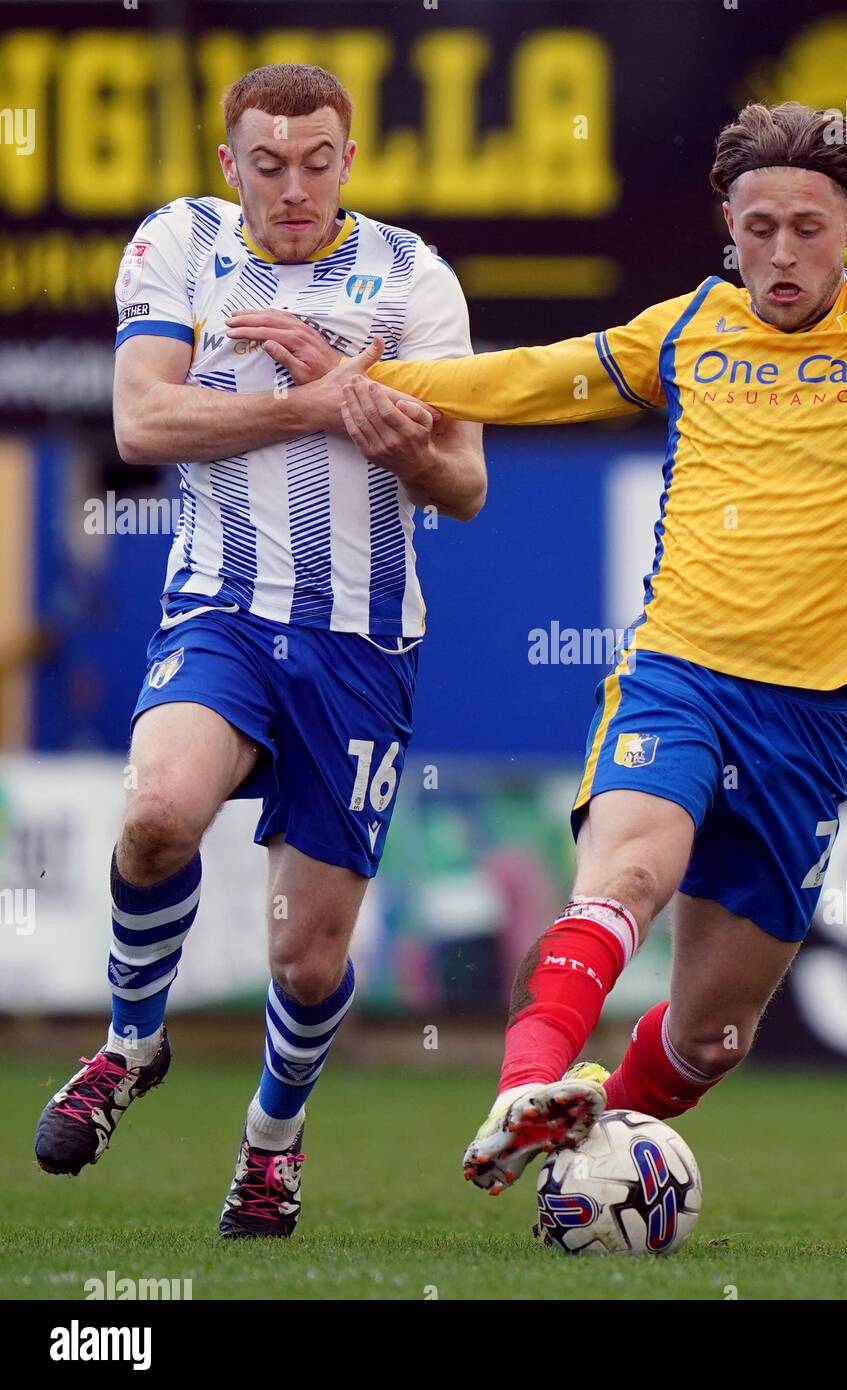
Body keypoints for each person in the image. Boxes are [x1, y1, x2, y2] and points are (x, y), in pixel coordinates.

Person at [267, 100, 847, 1197]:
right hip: (676, 675)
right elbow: (526, 377)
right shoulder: (684, 330)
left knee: (714, 1035)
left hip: (808, 722)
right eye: (759, 226)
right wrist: (361, 383)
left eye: (808, 227)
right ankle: (525, 1086)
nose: (782, 251)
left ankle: (594, 1148)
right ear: (730, 223)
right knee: (628, 873)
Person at [33, 63, 486, 1238]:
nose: (294, 185)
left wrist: (376, 416)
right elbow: (144, 418)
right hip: (221, 611)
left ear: (349, 158)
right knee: (156, 815)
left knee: (305, 959)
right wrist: (324, 399)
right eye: (269, 163)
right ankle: (132, 1044)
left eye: (317, 160)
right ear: (231, 163)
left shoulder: (414, 279)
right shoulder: (179, 243)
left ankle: (269, 1152)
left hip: (363, 642)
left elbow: (464, 480)